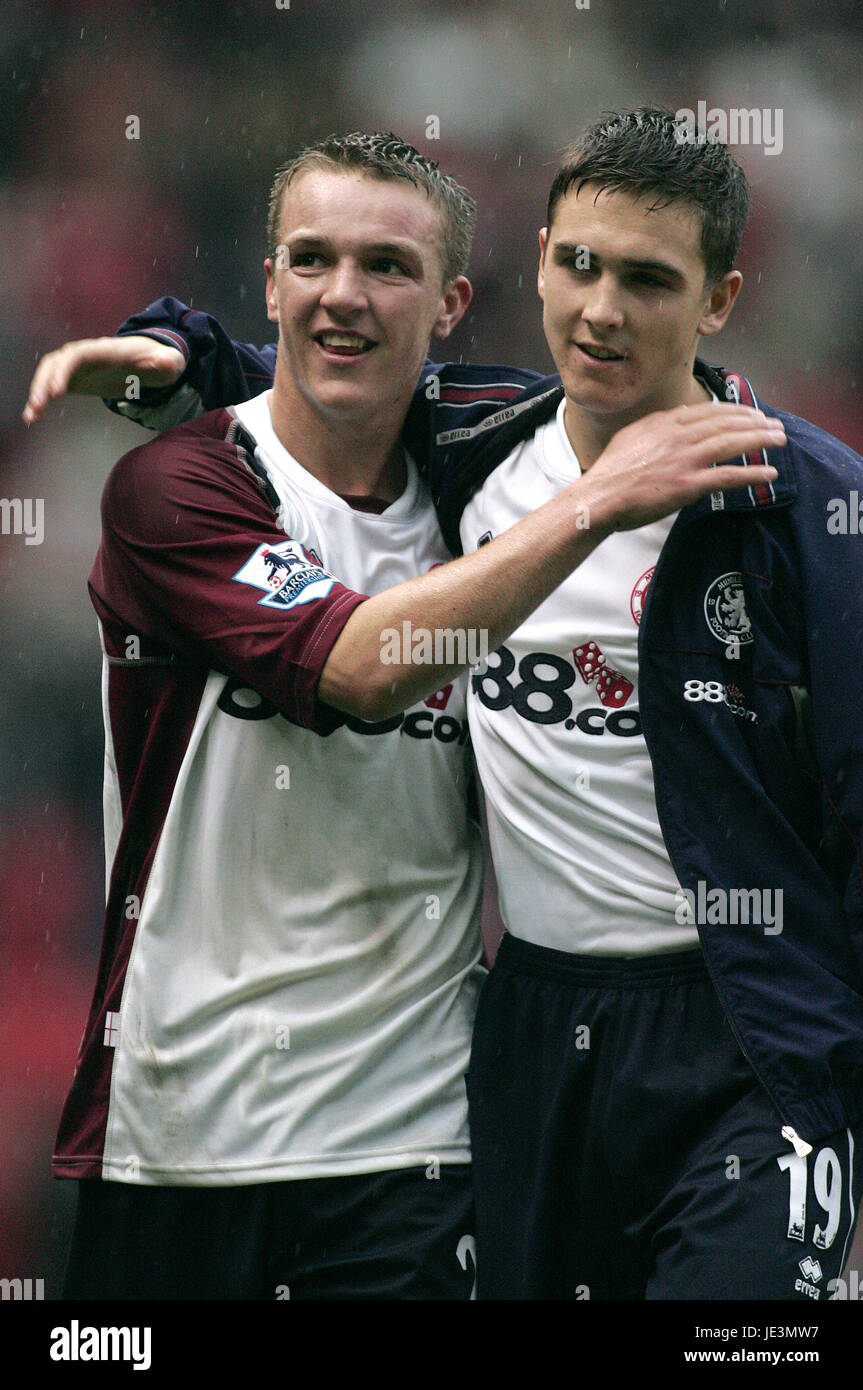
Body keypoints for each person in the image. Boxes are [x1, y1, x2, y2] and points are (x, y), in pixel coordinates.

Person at [27, 128, 780, 1301]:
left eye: (387, 266)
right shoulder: (182, 485)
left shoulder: (489, 480)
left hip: (414, 1148)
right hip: (178, 1130)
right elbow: (363, 666)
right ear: (268, 280)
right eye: (311, 259)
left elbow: (664, 387)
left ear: (450, 304)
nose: (343, 293)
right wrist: (593, 503)